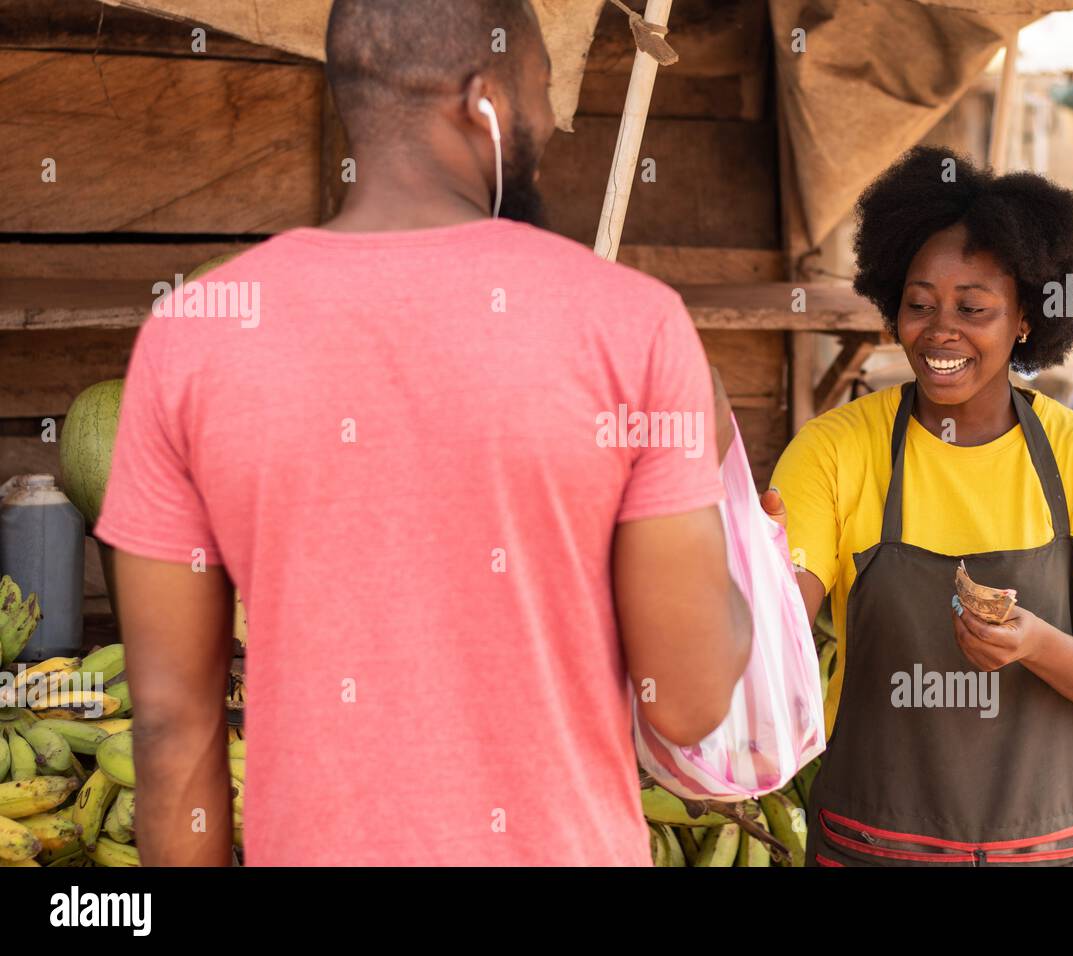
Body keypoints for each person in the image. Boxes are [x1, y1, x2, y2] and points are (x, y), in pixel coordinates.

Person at [95, 0, 752, 867]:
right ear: (485, 102)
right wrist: (734, 541)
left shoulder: (192, 336)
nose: (548, 126)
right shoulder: (633, 326)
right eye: (542, 90)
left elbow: (172, 727)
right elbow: (690, 701)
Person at [771, 147, 1073, 867]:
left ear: (1024, 318)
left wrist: (1037, 645)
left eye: (973, 308)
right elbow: (776, 633)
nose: (940, 331)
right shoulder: (834, 451)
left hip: (1051, 852)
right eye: (919, 304)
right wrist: (743, 567)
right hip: (872, 848)